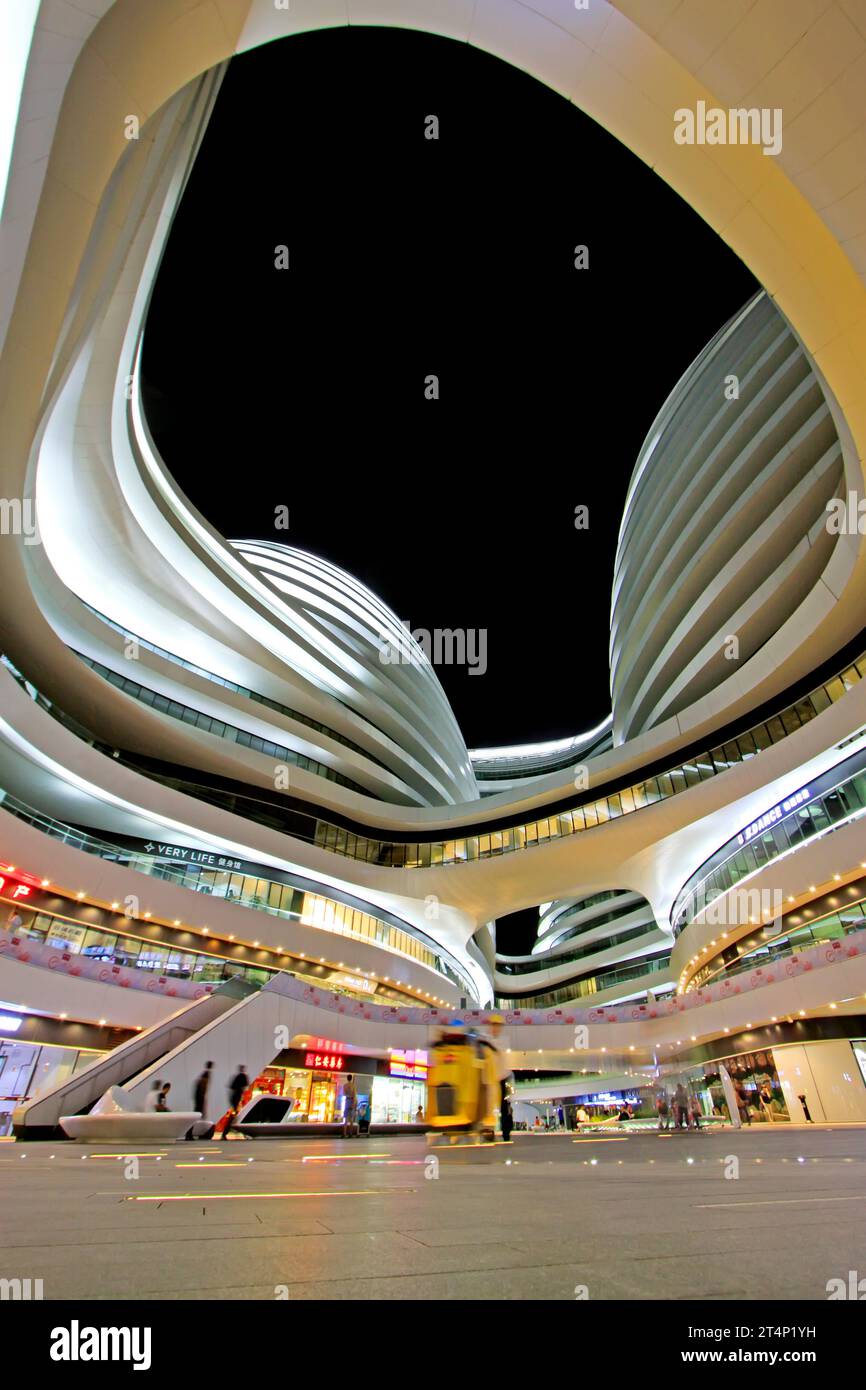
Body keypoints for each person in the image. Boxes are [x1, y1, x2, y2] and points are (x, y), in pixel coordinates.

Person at [187, 1060, 213, 1140]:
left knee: (196, 1116)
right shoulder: (206, 1074)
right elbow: (203, 1087)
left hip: (198, 1098)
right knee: (196, 1117)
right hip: (200, 1099)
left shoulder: (204, 1074)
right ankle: (189, 1134)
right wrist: (203, 1100)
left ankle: (189, 1133)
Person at [221, 1064, 249, 1140]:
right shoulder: (243, 1077)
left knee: (234, 1116)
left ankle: (226, 1133)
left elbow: (231, 1086)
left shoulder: (236, 1077)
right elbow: (245, 1086)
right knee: (234, 1117)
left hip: (234, 1099)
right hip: (237, 1099)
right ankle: (226, 1133)